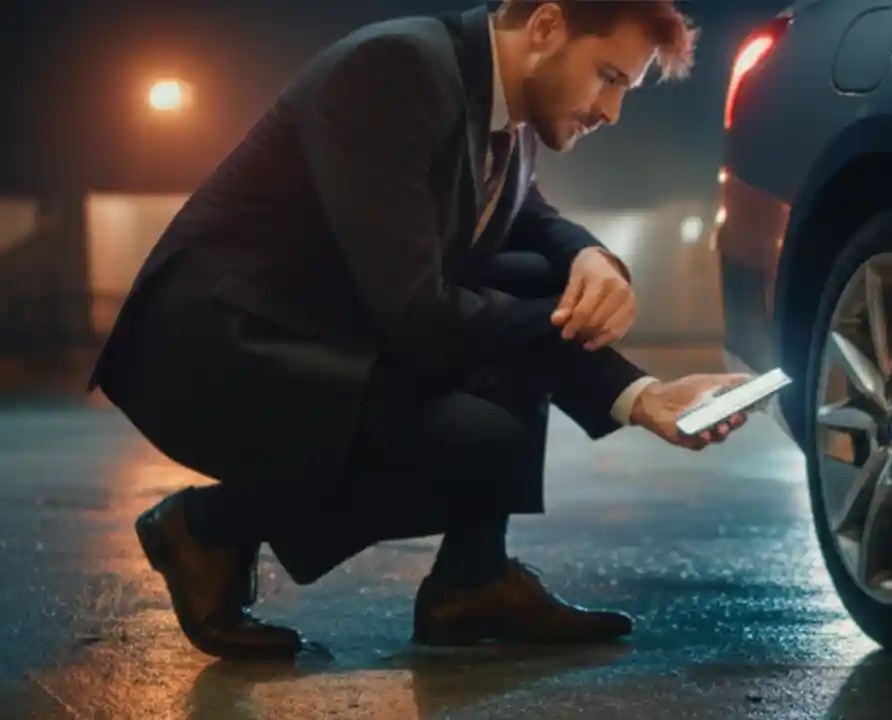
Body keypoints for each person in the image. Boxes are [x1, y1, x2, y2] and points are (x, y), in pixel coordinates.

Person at [88, 0, 750, 660]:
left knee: (543, 276)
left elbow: (526, 215)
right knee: (479, 448)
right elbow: (418, 321)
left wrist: (590, 256)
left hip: (326, 323)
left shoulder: (496, 104)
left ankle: (474, 580)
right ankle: (208, 528)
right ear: (546, 28)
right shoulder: (396, 70)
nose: (611, 111)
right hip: (229, 345)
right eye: (609, 77)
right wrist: (634, 395)